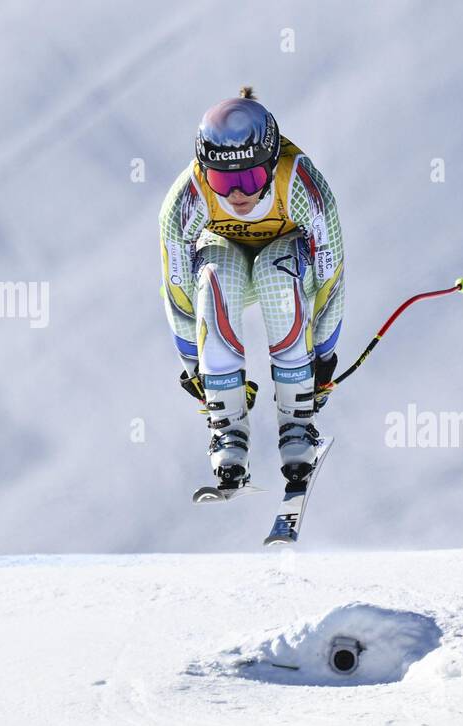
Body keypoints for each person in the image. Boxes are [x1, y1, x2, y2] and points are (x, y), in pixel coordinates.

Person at [158, 86, 345, 490]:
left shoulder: (300, 186)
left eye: (250, 177)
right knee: (212, 277)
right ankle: (228, 426)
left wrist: (325, 357)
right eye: (223, 182)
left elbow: (330, 278)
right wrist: (195, 366)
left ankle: (297, 422)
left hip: (286, 256)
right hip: (225, 253)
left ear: (272, 164)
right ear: (204, 170)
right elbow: (178, 290)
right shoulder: (187, 198)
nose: (238, 194)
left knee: (274, 275)